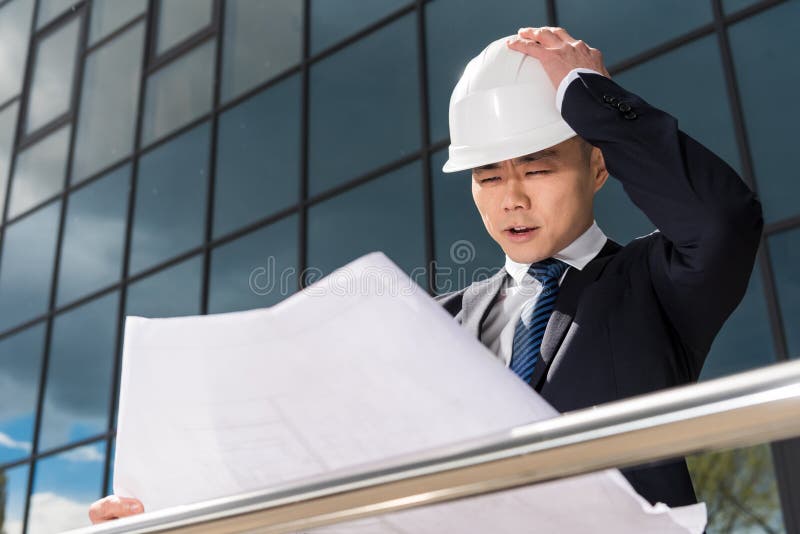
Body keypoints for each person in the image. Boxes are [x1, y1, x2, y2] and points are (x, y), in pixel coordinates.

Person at [88, 26, 762, 523]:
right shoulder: (431, 324)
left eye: (537, 168)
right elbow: (315, 457)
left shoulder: (656, 285)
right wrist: (169, 510)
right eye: (489, 175)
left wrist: (591, 95)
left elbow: (723, 220)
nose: (512, 198)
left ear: (598, 166)